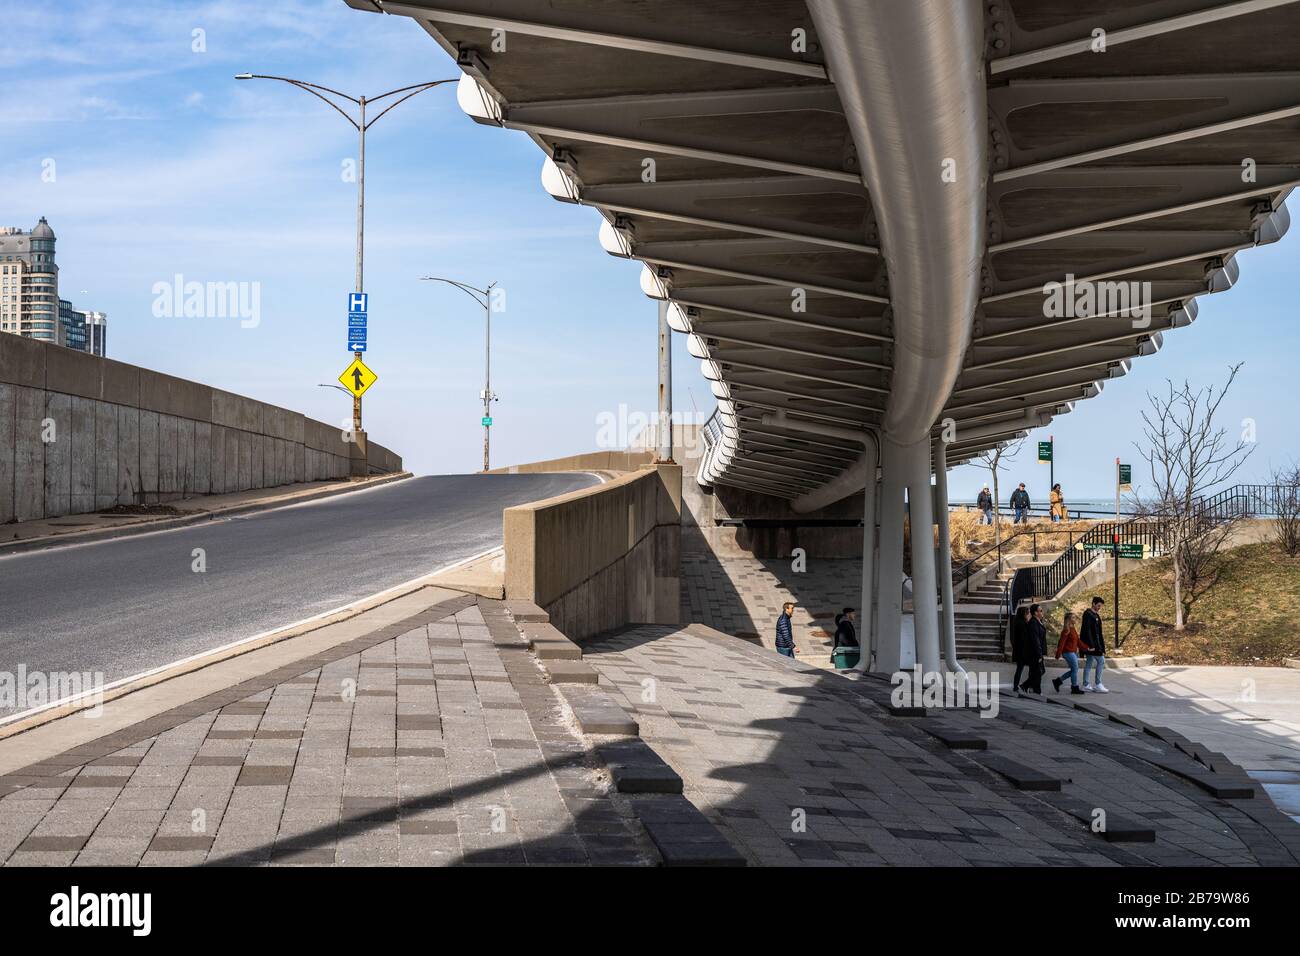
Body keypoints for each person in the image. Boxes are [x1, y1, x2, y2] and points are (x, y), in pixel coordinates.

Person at [1079, 596, 1109, 692]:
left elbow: (1098, 633)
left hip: (1094, 644)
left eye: (1100, 606)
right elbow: (1086, 630)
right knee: (1101, 661)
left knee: (1089, 663)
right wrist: (1091, 645)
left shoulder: (1095, 615)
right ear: (1093, 604)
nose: (1100, 607)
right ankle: (1098, 684)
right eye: (1098, 605)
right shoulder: (1088, 614)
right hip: (1093, 645)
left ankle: (1086, 684)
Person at [1052, 612, 1085, 695]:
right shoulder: (1066, 630)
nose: (1075, 619)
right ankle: (1074, 688)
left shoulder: (1073, 629)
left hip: (1072, 652)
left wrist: (1087, 648)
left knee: (1074, 670)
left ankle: (1058, 681)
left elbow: (1078, 641)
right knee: (1075, 669)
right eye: (1073, 618)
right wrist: (1058, 654)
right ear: (1069, 620)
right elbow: (1061, 643)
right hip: (1068, 652)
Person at [1022, 604, 1047, 694]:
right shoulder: (1033, 623)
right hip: (1034, 653)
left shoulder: (1038, 621)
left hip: (1037, 652)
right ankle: (1036, 691)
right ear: (1035, 613)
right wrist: (1039, 654)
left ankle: (1026, 686)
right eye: (1040, 610)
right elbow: (1035, 640)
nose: (1042, 612)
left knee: (1038, 671)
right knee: (1037, 672)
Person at [1010, 606, 1035, 693]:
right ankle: (1022, 686)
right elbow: (1025, 638)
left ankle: (1019, 686)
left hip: (1020, 651)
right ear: (1024, 614)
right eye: (1027, 613)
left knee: (1020, 669)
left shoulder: (1019, 622)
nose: (1029, 615)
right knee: (1025, 669)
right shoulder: (1022, 624)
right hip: (1022, 652)